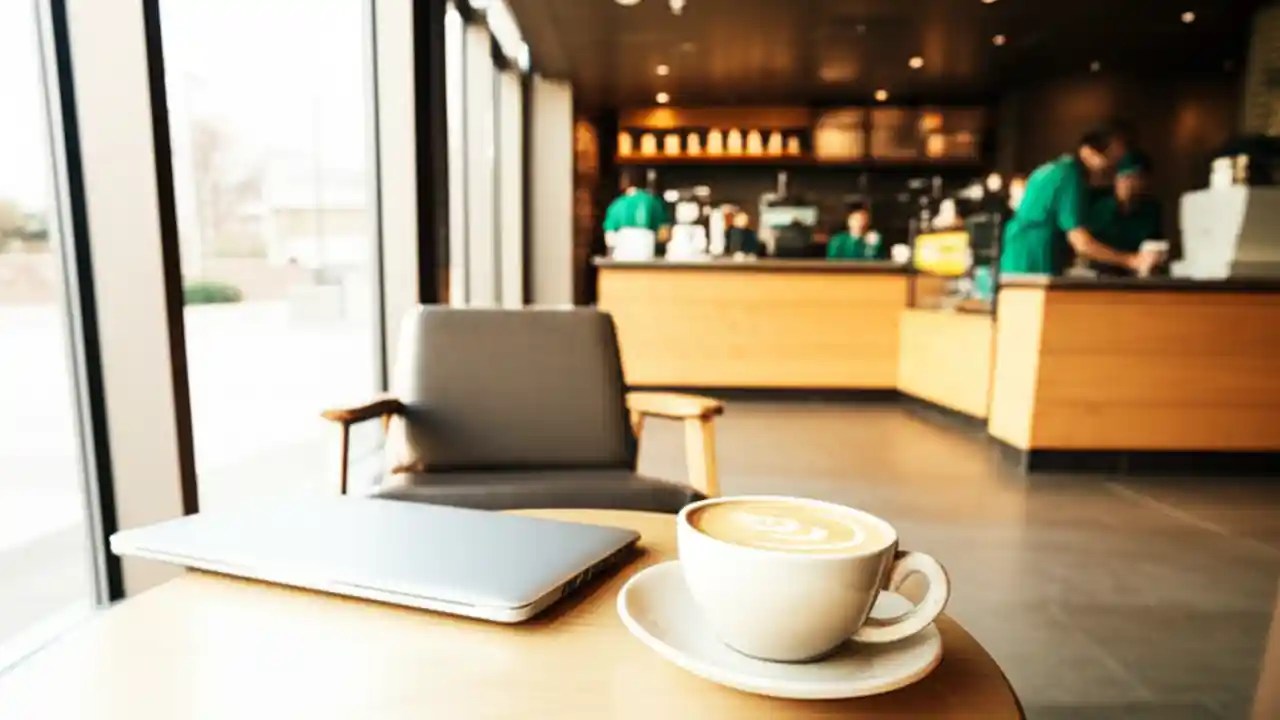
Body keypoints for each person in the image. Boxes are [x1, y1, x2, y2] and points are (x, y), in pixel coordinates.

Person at [1000, 125, 1159, 276]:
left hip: (1018, 261)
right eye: (1110, 157)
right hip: (1032, 264)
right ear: (1089, 151)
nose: (1111, 166)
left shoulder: (1056, 169)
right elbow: (1081, 243)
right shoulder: (1069, 176)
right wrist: (1132, 260)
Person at [1086, 152, 1163, 273]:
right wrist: (1128, 260)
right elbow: (1087, 248)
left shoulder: (1151, 211)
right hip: (1098, 274)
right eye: (1124, 178)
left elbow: (1155, 244)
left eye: (1135, 178)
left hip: (1136, 276)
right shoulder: (1099, 208)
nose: (1128, 184)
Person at [602, 173, 670, 261]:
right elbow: (664, 232)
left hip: (622, 254)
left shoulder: (617, 204)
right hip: (646, 252)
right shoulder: (654, 202)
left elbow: (609, 238)